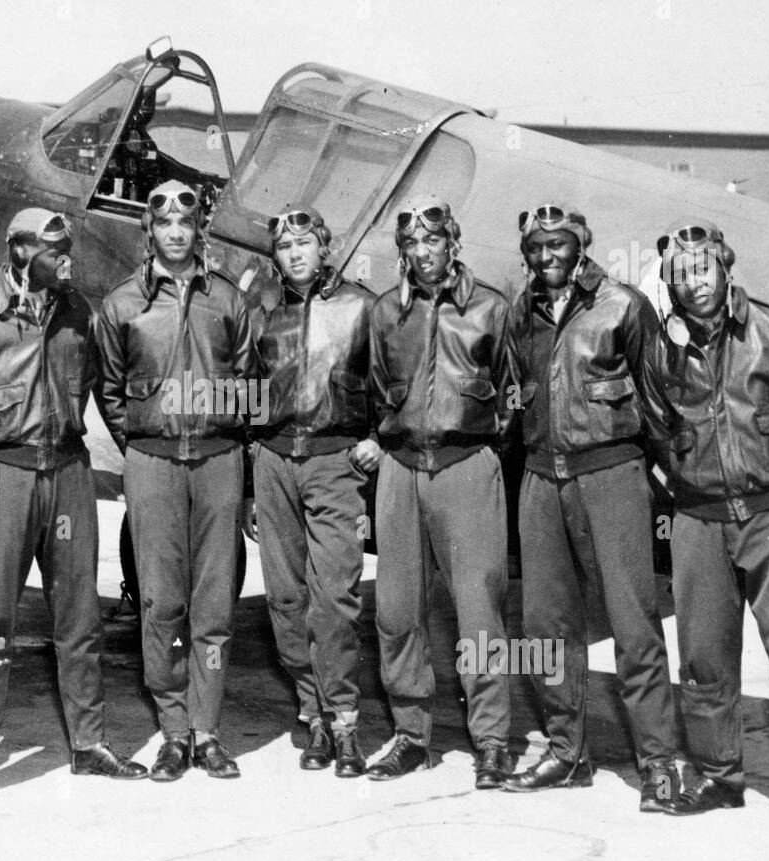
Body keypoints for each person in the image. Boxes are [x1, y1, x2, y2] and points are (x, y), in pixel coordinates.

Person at [641, 221, 769, 837]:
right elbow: (652, 428)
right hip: (699, 521)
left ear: (725, 268)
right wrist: (694, 486)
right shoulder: (659, 348)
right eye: (680, 272)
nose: (693, 282)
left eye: (703, 268)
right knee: (703, 660)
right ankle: (719, 776)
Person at [0, 208, 147, 809]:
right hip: (3, 474)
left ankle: (89, 743)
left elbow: (88, 384)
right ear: (19, 252)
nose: (67, 256)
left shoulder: (76, 311)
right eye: (54, 248)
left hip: (66, 472)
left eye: (67, 247)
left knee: (79, 615)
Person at [502, 204, 679, 810]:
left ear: (581, 245)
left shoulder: (624, 306)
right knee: (545, 626)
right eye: (537, 247)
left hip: (610, 473)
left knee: (633, 622)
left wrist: (667, 478)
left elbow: (660, 401)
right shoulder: (518, 314)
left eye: (559, 244)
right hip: (540, 478)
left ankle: (657, 764)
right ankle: (565, 752)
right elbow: (511, 398)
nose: (547, 256)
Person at [96, 179, 255, 781]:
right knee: (161, 603)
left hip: (217, 460)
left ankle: (208, 730)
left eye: (185, 225)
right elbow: (109, 390)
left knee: (213, 606)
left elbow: (247, 381)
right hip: (153, 463)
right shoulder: (121, 305)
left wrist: (229, 444)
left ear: (198, 232)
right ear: (150, 232)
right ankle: (172, 731)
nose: (176, 234)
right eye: (164, 225)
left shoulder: (228, 302)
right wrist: (140, 442)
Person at [367, 198, 515, 785]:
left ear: (453, 242)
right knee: (398, 610)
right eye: (412, 245)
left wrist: (477, 453)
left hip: (467, 467)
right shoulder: (386, 313)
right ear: (403, 253)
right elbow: (377, 389)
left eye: (433, 241)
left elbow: (514, 395)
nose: (423, 253)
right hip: (401, 471)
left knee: (480, 614)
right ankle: (409, 735)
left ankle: (494, 741)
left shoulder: (490, 310)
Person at [248, 204, 377, 777]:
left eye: (305, 242)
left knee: (335, 602)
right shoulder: (263, 311)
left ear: (325, 247)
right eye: (284, 246)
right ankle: (314, 719)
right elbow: (247, 391)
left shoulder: (362, 307)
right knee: (284, 599)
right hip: (274, 461)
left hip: (333, 463)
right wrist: (252, 472)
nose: (295, 253)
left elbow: (391, 381)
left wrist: (377, 436)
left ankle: (345, 720)